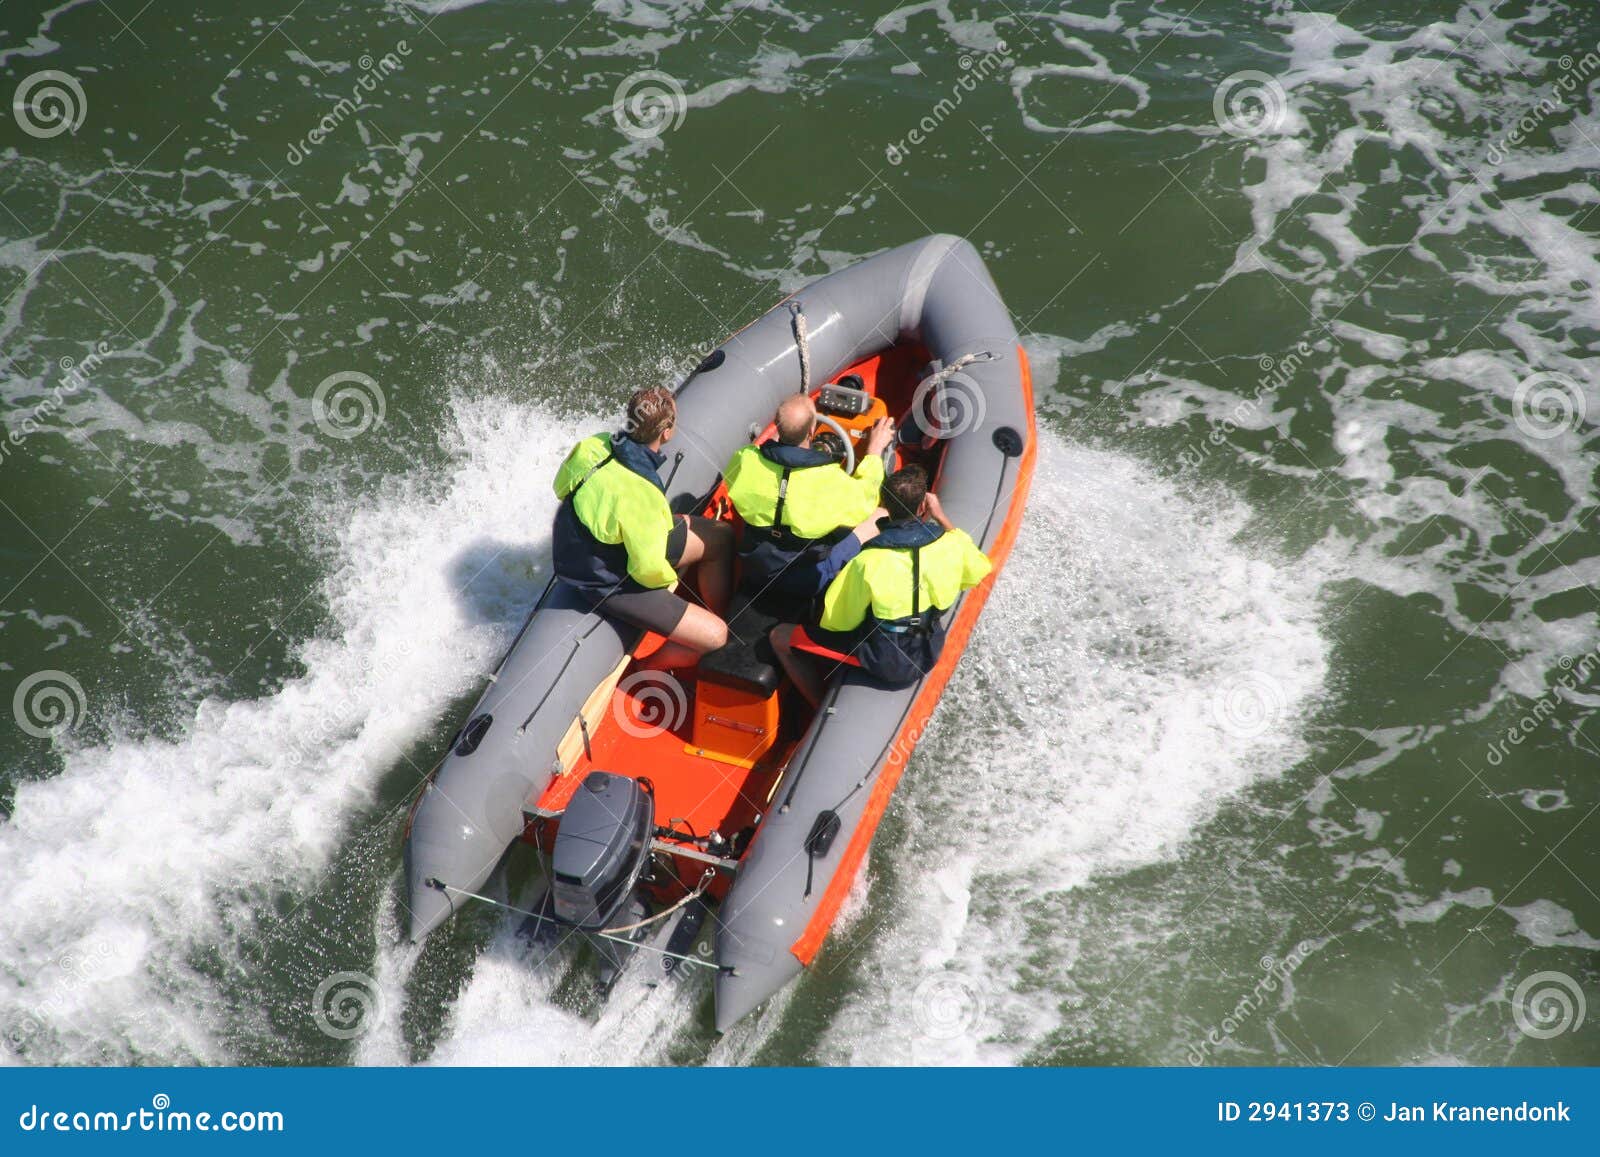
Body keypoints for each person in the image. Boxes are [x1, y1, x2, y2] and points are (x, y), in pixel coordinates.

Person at [770, 465, 992, 705]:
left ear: (886, 508)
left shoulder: (867, 561)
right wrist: (941, 517)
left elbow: (837, 623)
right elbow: (978, 569)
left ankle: (814, 705)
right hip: (928, 646)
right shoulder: (952, 545)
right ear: (923, 506)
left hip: (888, 662)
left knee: (779, 636)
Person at [552, 385, 733, 669]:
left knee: (719, 536)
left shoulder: (595, 444)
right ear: (666, 433)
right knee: (716, 635)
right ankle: (645, 667)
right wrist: (668, 583)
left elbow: (560, 487)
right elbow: (647, 570)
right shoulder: (643, 494)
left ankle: (717, 610)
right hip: (607, 579)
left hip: (590, 546)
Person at [724, 392, 895, 600]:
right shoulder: (831, 481)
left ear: (776, 427)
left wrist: (781, 441)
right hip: (807, 571)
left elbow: (745, 473)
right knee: (879, 514)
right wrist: (875, 450)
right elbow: (867, 498)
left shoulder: (745, 459)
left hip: (757, 560)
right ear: (812, 430)